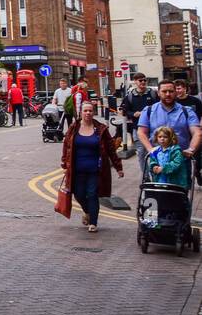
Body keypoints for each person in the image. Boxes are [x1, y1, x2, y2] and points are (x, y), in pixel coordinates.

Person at [60, 100, 124, 233]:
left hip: (96, 170)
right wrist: (64, 161)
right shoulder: (74, 127)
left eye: (90, 111)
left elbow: (111, 149)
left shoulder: (101, 129)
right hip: (77, 169)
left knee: (92, 194)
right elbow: (66, 145)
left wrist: (118, 167)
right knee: (78, 194)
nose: (88, 113)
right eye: (85, 110)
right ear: (81, 112)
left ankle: (93, 222)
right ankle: (88, 211)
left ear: (93, 112)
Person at [136, 80, 201, 181]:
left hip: (181, 161)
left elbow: (197, 132)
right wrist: (150, 149)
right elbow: (141, 132)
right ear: (158, 93)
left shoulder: (187, 111)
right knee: (159, 192)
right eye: (164, 91)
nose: (168, 94)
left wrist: (191, 149)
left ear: (175, 92)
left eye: (171, 91)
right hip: (158, 161)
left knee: (181, 193)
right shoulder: (148, 111)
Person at [121, 73, 157, 165]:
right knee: (141, 153)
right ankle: (145, 176)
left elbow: (159, 108)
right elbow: (124, 111)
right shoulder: (130, 96)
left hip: (153, 128)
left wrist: (147, 112)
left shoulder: (152, 94)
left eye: (145, 80)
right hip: (137, 128)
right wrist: (133, 114)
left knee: (155, 152)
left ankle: (155, 173)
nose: (143, 82)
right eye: (140, 80)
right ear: (135, 82)